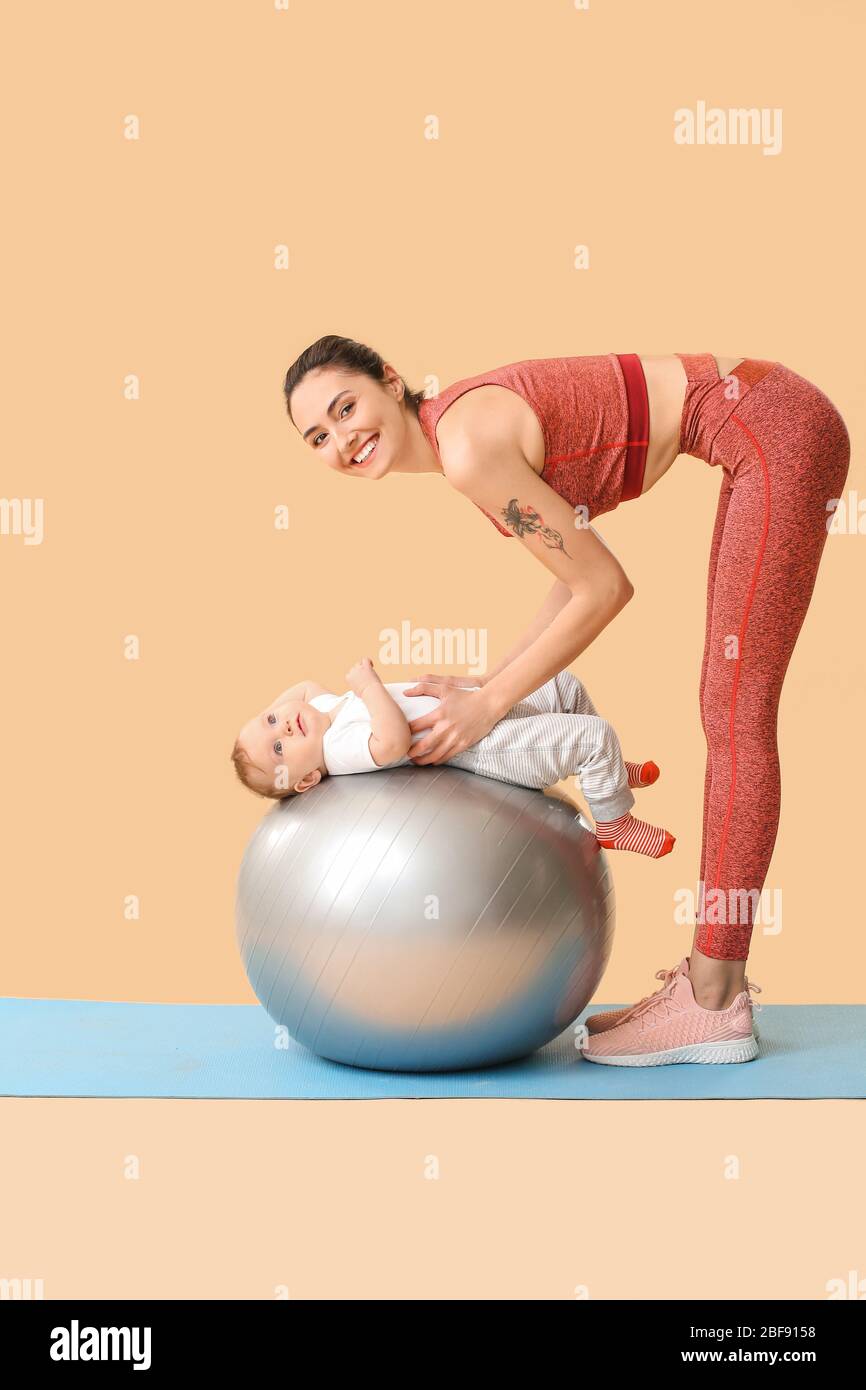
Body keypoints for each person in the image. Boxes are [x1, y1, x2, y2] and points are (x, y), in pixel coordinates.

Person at [281, 336, 851, 1065]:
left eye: (346, 406)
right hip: (765, 421)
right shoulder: (463, 435)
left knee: (733, 711)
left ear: (390, 380)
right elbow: (573, 567)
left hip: (774, 425)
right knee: (728, 705)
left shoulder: (468, 449)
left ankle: (713, 1000)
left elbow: (605, 588)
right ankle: (710, 986)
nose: (342, 438)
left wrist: (488, 708)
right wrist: (490, 684)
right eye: (319, 436)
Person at [231, 658, 674, 858]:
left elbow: (303, 687)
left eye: (272, 719)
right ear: (306, 779)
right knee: (596, 736)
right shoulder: (336, 750)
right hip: (489, 746)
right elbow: (392, 743)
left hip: (482, 707)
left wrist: (271, 722)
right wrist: (368, 687)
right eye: (278, 748)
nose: (284, 727)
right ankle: (616, 824)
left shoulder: (325, 710)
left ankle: (610, 774)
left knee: (564, 684)